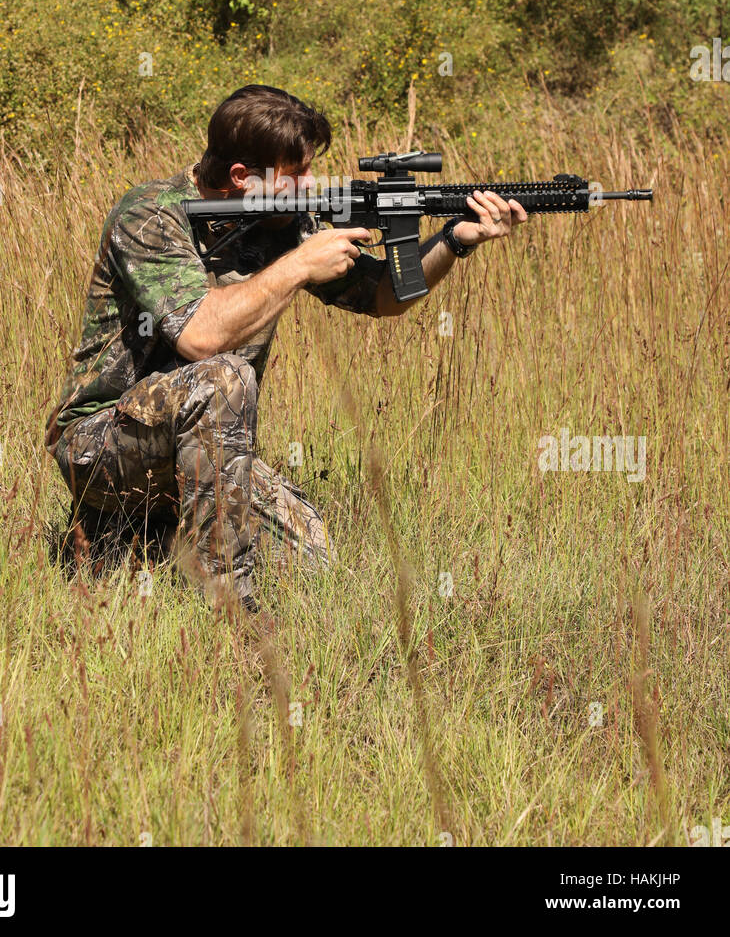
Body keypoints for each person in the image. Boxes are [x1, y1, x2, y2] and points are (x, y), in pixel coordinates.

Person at [45, 84, 526, 611]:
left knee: (311, 560)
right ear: (241, 177)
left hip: (204, 451)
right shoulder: (151, 215)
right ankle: (227, 601)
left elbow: (384, 297)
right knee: (223, 376)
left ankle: (136, 537)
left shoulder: (282, 219)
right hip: (102, 444)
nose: (311, 184)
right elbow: (200, 337)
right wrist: (299, 265)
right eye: (296, 173)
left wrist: (453, 241)